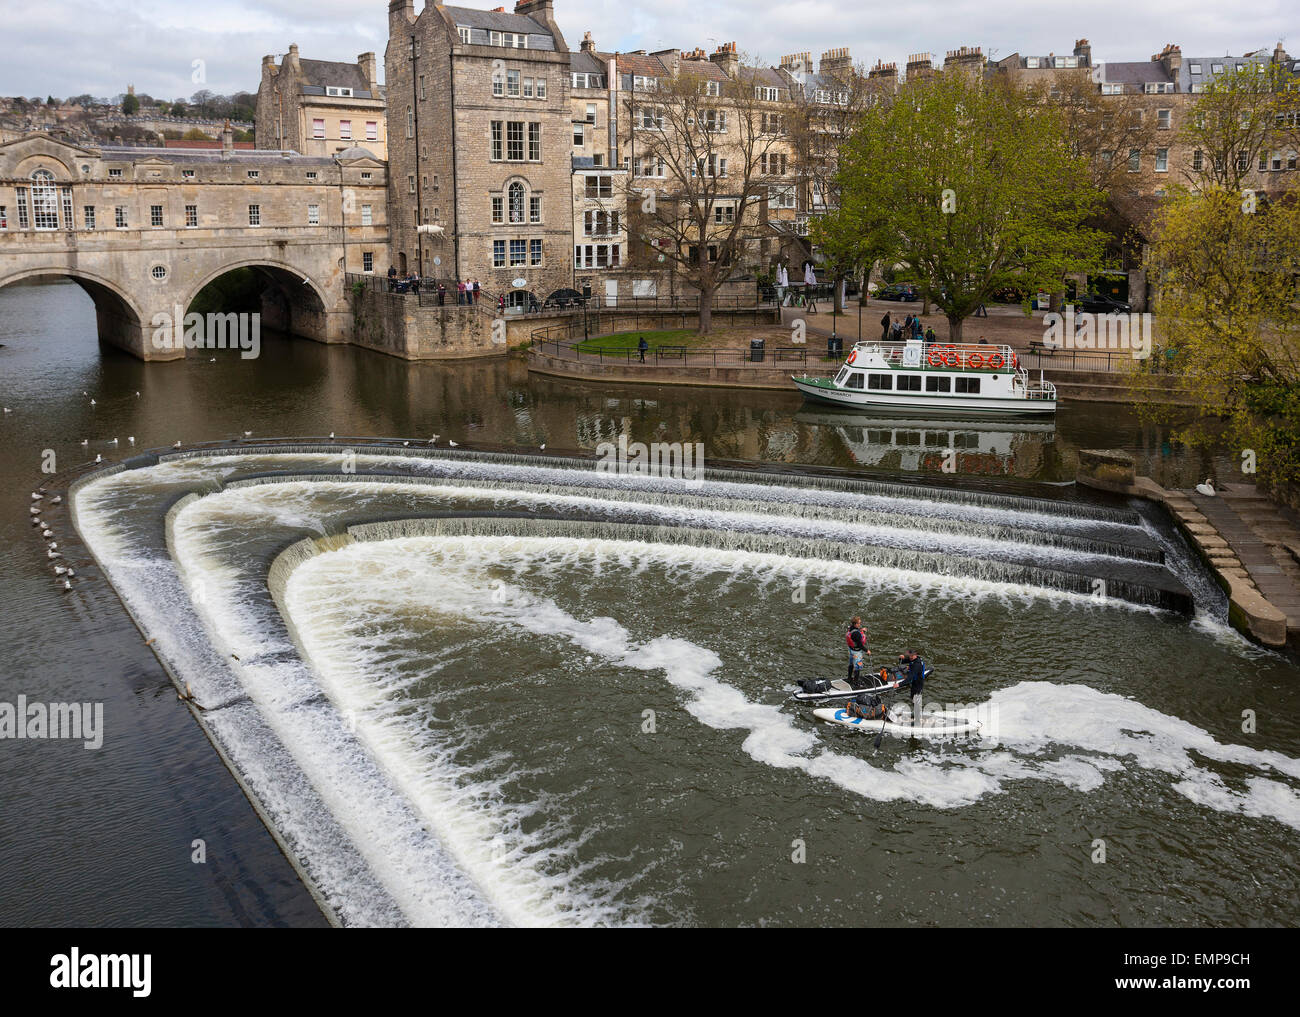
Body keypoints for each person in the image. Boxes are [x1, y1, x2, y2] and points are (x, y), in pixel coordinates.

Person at [898, 649, 926, 725]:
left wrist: (899, 684)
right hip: (914, 683)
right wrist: (901, 658)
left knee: (916, 700)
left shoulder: (917, 665)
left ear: (915, 655)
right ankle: (916, 714)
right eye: (909, 656)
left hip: (918, 684)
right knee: (913, 698)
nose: (910, 657)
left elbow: (909, 678)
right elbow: (904, 661)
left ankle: (918, 720)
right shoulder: (914, 659)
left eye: (911, 656)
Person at [845, 616, 871, 686]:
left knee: (851, 664)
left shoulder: (851, 628)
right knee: (858, 666)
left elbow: (856, 632)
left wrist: (862, 630)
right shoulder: (856, 634)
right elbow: (860, 645)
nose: (860, 624)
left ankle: (849, 678)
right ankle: (856, 682)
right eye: (859, 623)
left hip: (851, 650)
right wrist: (867, 651)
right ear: (855, 624)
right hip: (857, 652)